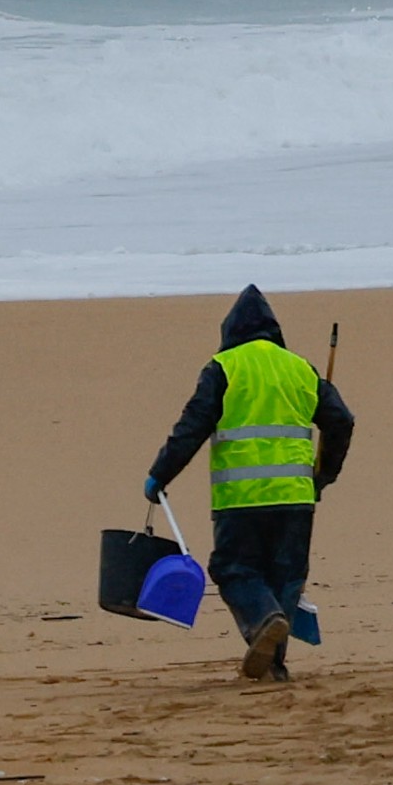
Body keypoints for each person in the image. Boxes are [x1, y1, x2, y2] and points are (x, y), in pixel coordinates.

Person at [143, 285, 354, 682]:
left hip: (240, 499)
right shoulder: (300, 368)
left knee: (234, 568)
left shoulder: (223, 367)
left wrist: (160, 474)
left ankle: (263, 623)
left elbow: (191, 428)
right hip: (295, 498)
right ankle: (273, 665)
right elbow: (341, 420)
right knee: (285, 579)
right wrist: (322, 476)